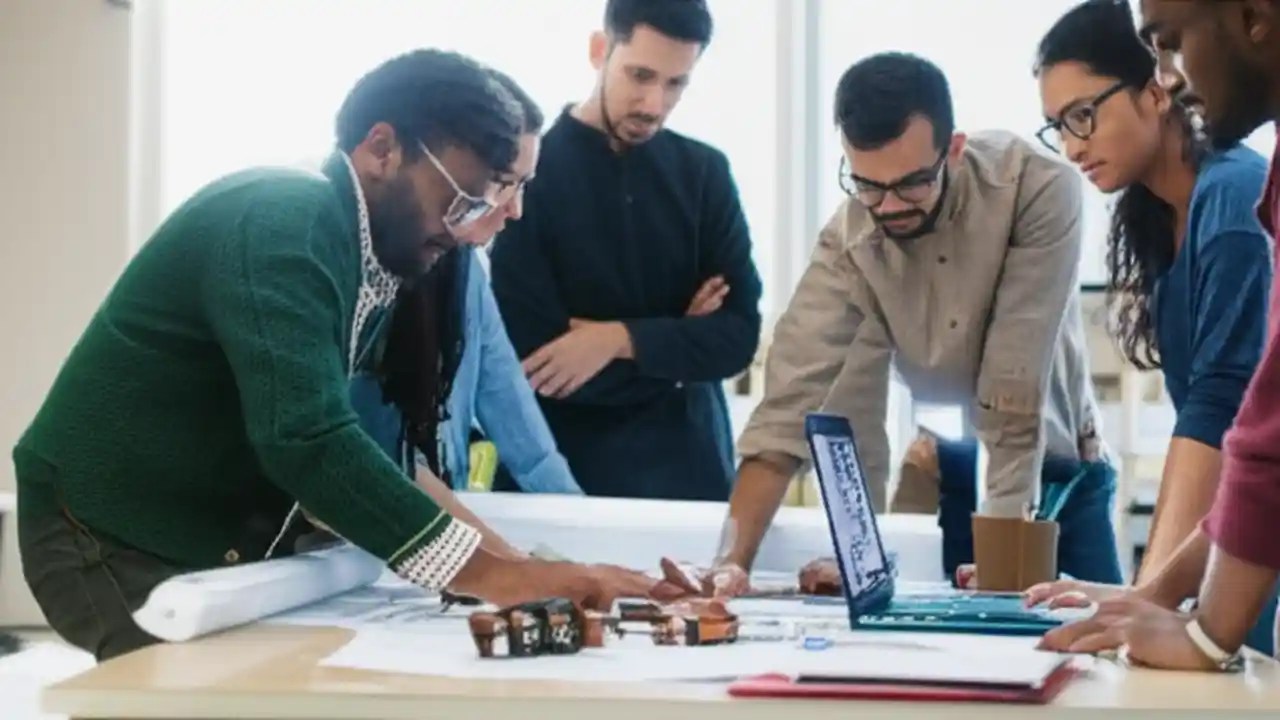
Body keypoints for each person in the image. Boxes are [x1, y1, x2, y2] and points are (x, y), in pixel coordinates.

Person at [14, 50, 655, 663]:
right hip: (98, 531)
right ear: (382, 148)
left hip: (193, 539)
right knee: (189, 697)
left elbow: (375, 454)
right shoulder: (282, 223)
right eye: (469, 199)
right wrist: (498, 576)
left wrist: (524, 570)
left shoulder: (365, 259)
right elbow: (306, 439)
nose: (473, 227)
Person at [707, 51, 1120, 595]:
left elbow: (1013, 387)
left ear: (953, 149)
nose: (889, 206)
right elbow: (788, 402)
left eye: (911, 184)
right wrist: (728, 565)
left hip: (1061, 468)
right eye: (868, 186)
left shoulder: (1035, 189)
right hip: (959, 465)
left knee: (1095, 662)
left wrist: (1004, 569)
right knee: (964, 666)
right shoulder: (850, 239)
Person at [1026, 0, 1275, 653]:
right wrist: (1146, 595)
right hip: (1235, 540)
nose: (1074, 144)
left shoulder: (1235, 192)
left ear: (1152, 93)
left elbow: (1226, 418)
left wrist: (1168, 608)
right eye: (1059, 127)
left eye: (1084, 115)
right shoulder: (1160, 221)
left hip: (1252, 553)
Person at [488, 0, 763, 501]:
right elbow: (535, 359)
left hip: (693, 483)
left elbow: (737, 338)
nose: (654, 104)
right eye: (640, 75)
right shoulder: (530, 175)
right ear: (600, 51)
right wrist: (678, 347)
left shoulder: (705, 174)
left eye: (675, 83)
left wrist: (612, 339)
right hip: (565, 484)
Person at [349, 69, 580, 540]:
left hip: (432, 529)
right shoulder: (357, 258)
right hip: (362, 531)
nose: (514, 209)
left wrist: (585, 536)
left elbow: (518, 423)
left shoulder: (465, 273)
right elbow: (359, 453)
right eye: (501, 183)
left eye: (522, 185)